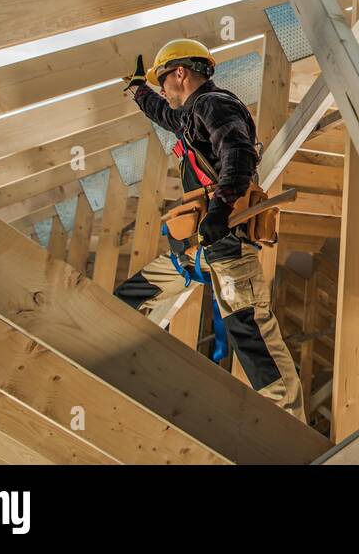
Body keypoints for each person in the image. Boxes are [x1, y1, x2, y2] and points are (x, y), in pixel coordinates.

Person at [113, 38, 305, 421]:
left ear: (180, 73)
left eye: (163, 81)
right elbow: (162, 112)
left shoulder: (216, 105)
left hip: (228, 246)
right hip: (199, 251)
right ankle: (109, 344)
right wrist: (140, 90)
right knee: (132, 296)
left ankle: (288, 422)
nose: (163, 91)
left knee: (249, 331)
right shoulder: (191, 114)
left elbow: (238, 154)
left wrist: (219, 208)